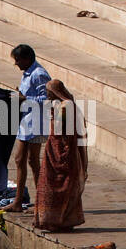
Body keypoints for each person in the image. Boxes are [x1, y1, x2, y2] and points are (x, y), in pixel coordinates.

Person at [3, 42, 50, 214]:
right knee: (20, 159)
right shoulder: (27, 74)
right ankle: (19, 200)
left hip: (37, 123)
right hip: (26, 122)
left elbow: (47, 99)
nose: (16, 64)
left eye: (18, 60)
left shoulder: (39, 74)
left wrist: (25, 99)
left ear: (27, 58)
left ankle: (41, 201)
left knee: (32, 160)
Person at [36, 78, 88, 232]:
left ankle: (61, 220)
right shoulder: (61, 105)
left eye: (49, 93)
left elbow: (59, 129)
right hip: (54, 151)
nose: (48, 96)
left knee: (62, 187)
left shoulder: (66, 106)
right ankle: (54, 220)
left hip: (63, 153)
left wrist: (52, 113)